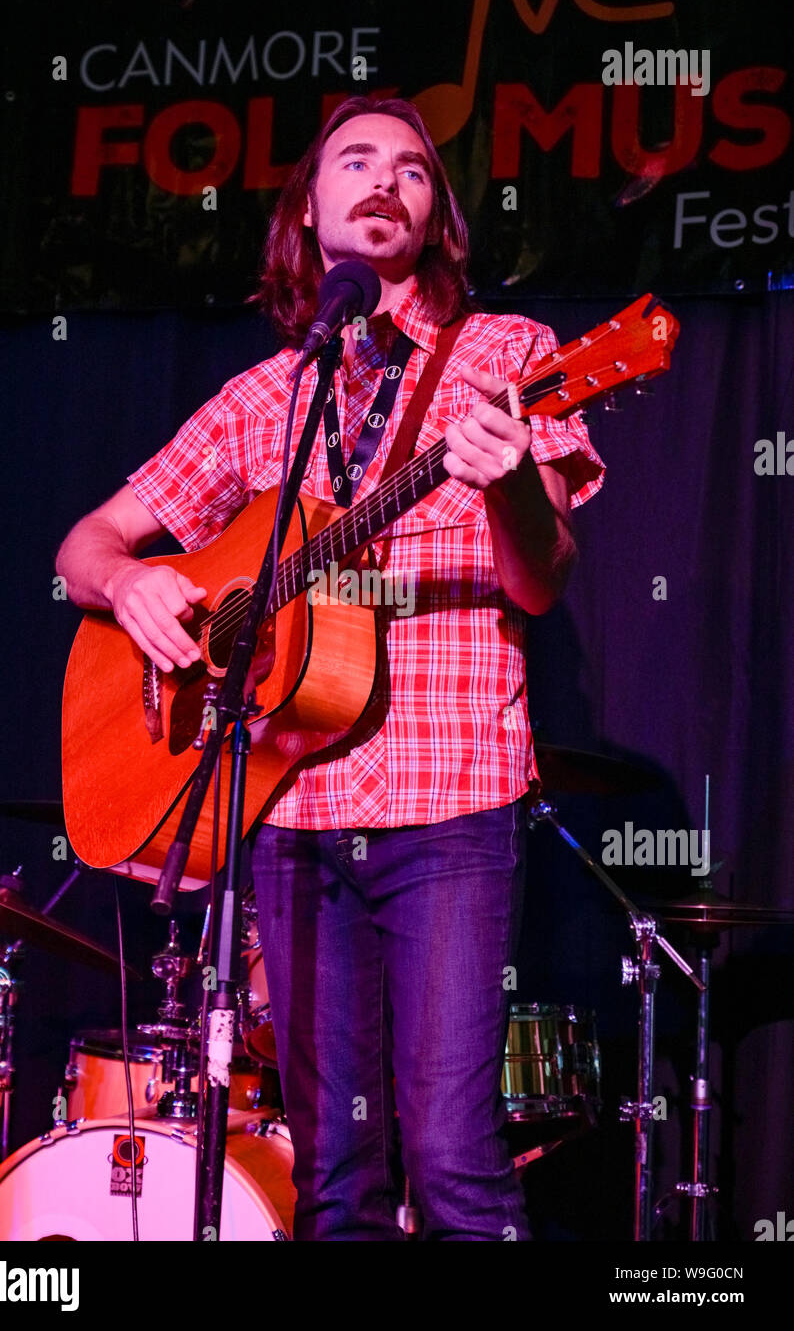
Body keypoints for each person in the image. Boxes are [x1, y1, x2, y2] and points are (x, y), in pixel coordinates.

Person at [56, 94, 604, 1241]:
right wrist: (135, 584)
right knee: (336, 1176)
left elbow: (540, 579)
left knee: (453, 1162)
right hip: (292, 813)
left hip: (449, 802)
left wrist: (506, 479)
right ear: (306, 213)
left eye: (412, 170)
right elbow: (84, 547)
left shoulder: (507, 357)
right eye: (353, 161)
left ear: (435, 216)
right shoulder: (267, 398)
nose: (383, 181)